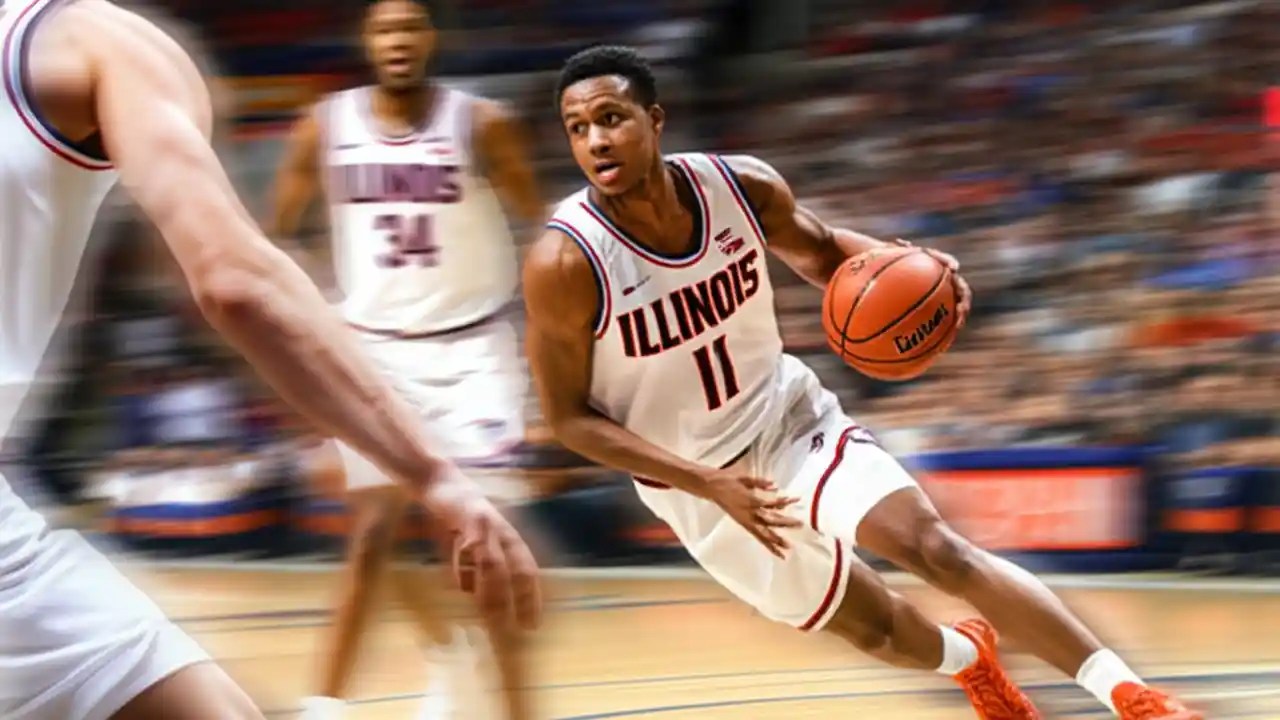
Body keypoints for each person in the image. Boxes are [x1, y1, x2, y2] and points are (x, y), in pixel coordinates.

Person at [522, 45, 1201, 720]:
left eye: (611, 118)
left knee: (934, 547)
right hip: (695, 484)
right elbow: (568, 419)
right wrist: (709, 485)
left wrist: (910, 264)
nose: (595, 140)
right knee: (875, 628)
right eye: (577, 129)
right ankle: (971, 660)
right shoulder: (565, 262)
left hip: (786, 419)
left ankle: (1132, 698)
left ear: (656, 119)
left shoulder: (741, 189)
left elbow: (823, 253)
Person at [0, 1, 541, 719]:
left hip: (460, 341)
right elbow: (237, 277)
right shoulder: (94, 45)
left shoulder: (477, 126)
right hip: (387, 342)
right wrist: (434, 472)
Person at [269, 1, 545, 718]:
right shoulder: (323, 127)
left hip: (473, 350)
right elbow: (275, 236)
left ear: (432, 39)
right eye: (385, 28)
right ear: (367, 40)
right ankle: (326, 706)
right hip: (373, 353)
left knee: (484, 551)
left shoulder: (484, 125)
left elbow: (544, 232)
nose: (398, 40)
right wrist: (312, 322)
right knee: (373, 534)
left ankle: (507, 702)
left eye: (411, 27)